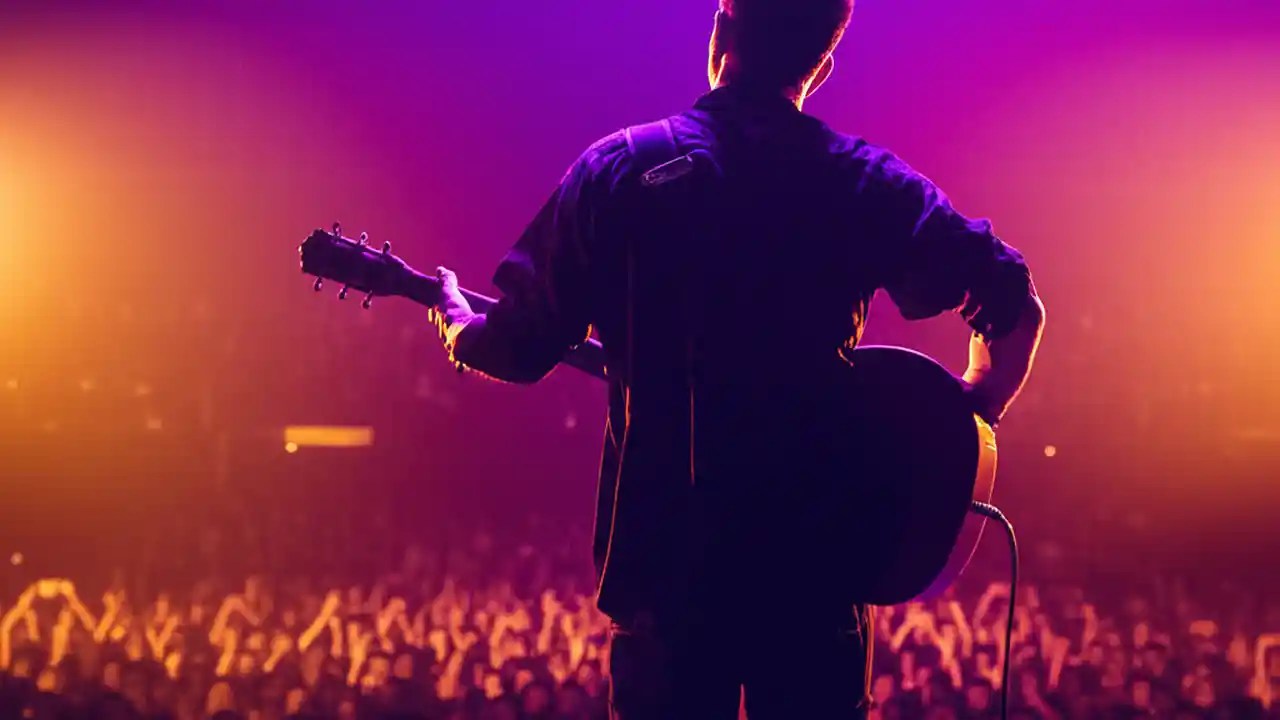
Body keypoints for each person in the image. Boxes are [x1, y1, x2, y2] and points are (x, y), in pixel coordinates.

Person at [427, 0, 1045, 717]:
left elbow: (518, 346)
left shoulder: (619, 169)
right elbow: (1014, 301)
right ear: (821, 64)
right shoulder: (862, 183)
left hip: (668, 583)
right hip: (816, 578)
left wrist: (456, 323)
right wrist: (972, 416)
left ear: (721, 33)